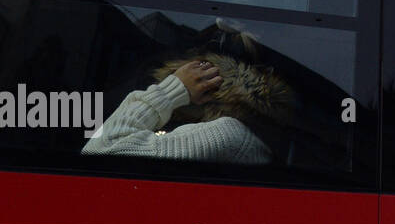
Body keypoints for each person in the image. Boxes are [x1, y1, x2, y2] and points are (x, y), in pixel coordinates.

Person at [83, 22, 294, 165]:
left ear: (206, 80)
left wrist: (171, 91)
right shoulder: (249, 130)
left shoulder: (227, 134)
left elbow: (102, 154)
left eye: (186, 72)